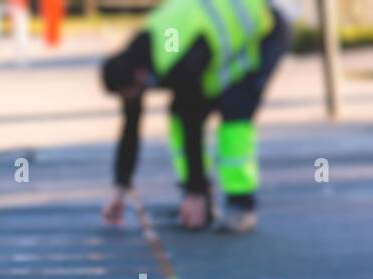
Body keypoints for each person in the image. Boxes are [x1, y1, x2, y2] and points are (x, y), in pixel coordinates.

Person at [100, 0, 291, 234]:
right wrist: (120, 188)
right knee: (180, 113)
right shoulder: (140, 56)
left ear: (138, 76)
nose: (132, 101)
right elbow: (131, 128)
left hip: (263, 32)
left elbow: (193, 123)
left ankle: (241, 206)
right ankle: (200, 201)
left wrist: (195, 192)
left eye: (130, 95)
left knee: (235, 112)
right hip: (219, 45)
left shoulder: (175, 59)